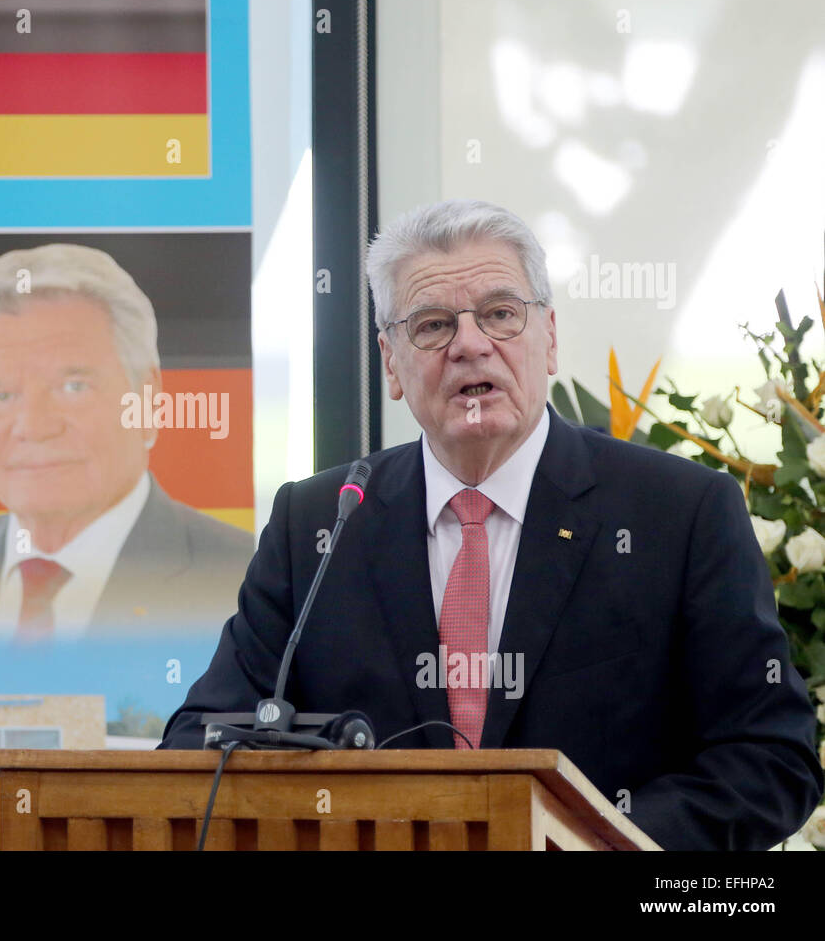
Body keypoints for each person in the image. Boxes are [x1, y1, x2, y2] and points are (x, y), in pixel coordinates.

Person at [158, 200, 824, 850]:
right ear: (391, 362)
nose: (470, 345)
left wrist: (591, 843)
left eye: (500, 315)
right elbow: (202, 740)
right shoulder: (319, 524)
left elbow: (769, 756)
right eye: (432, 325)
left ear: (550, 338)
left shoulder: (679, 512)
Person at [0, 243, 254, 641]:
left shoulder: (245, 576)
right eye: (0, 396)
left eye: (73, 387)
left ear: (146, 398)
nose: (33, 427)